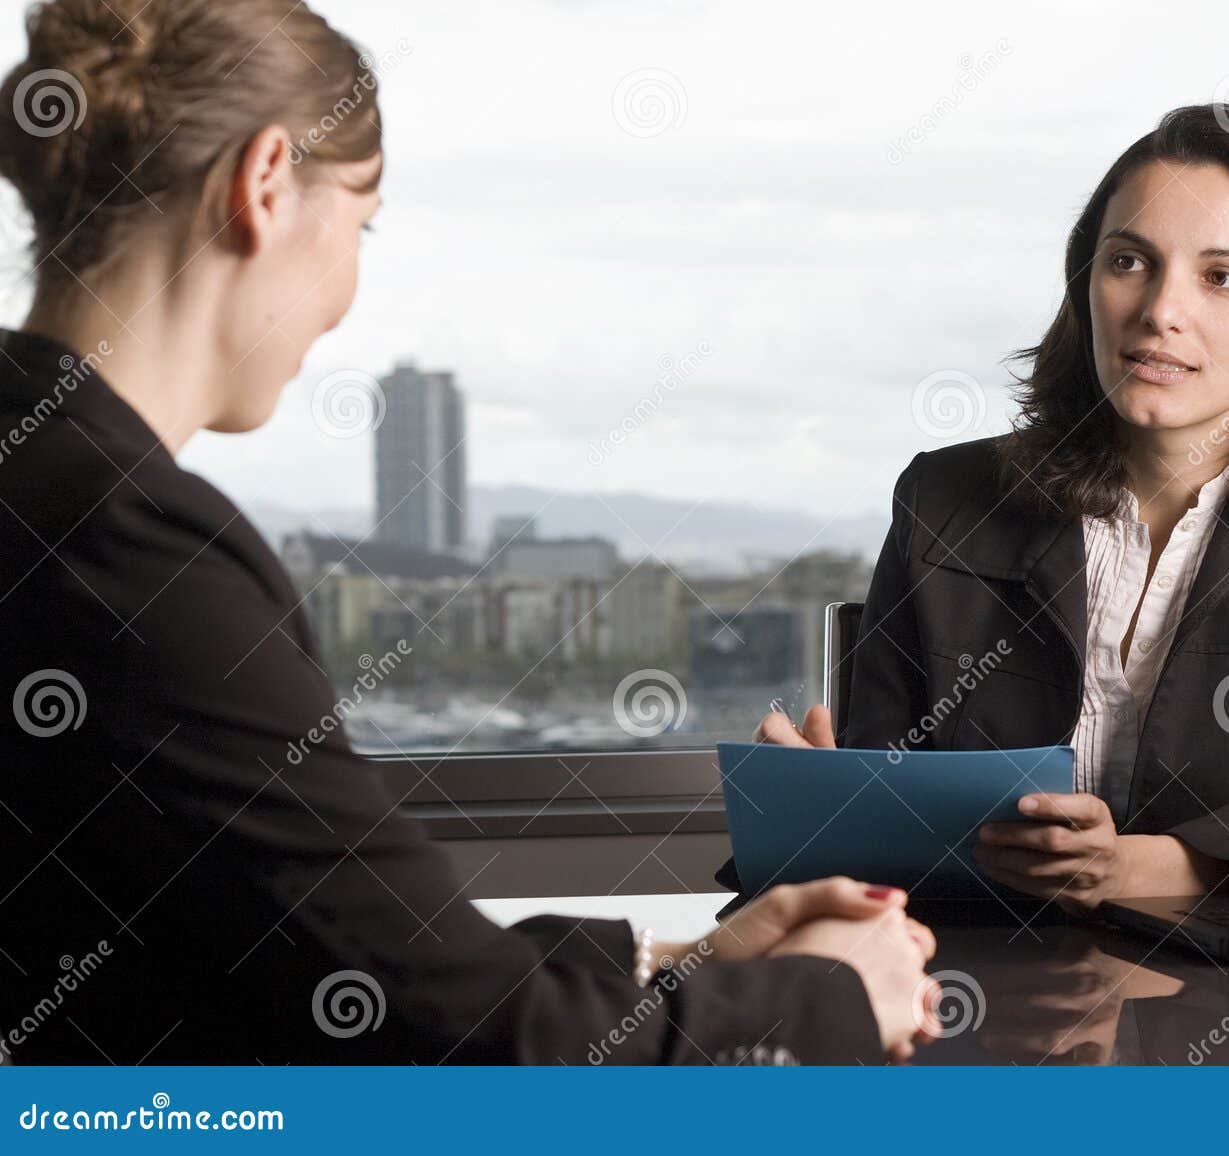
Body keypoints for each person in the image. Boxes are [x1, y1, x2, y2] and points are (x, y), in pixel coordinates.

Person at [0, 0, 939, 1065]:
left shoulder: (45, 487)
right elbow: (483, 1051)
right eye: (361, 223)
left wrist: (679, 961)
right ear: (265, 184)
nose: (347, 293)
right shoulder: (137, 555)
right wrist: (828, 998)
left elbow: (312, 962)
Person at [734, 104, 1229, 913]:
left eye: (1221, 276)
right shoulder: (945, 501)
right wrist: (816, 804)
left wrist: (1138, 870)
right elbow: (877, 819)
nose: (1159, 310)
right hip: (975, 989)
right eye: (1129, 261)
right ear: (1086, 290)